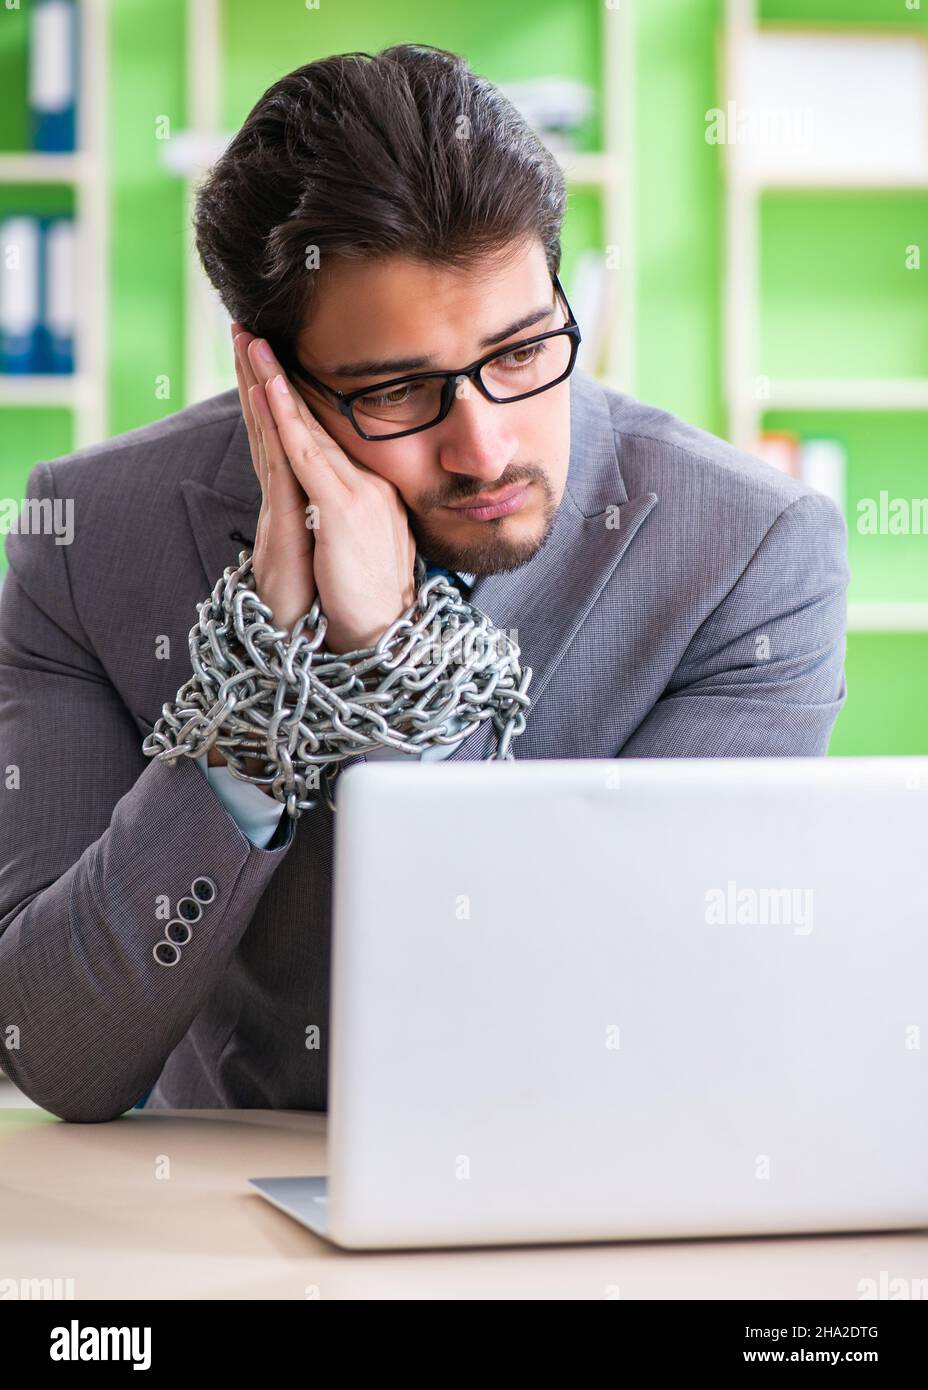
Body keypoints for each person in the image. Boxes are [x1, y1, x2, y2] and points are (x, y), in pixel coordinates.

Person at [0, 44, 849, 1122]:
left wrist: (395, 660)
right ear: (274, 383)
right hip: (210, 1234)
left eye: (521, 348)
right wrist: (261, 710)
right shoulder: (91, 539)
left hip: (580, 1213)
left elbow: (611, 1024)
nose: (486, 447)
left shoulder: (750, 556)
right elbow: (57, 1057)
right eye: (399, 389)